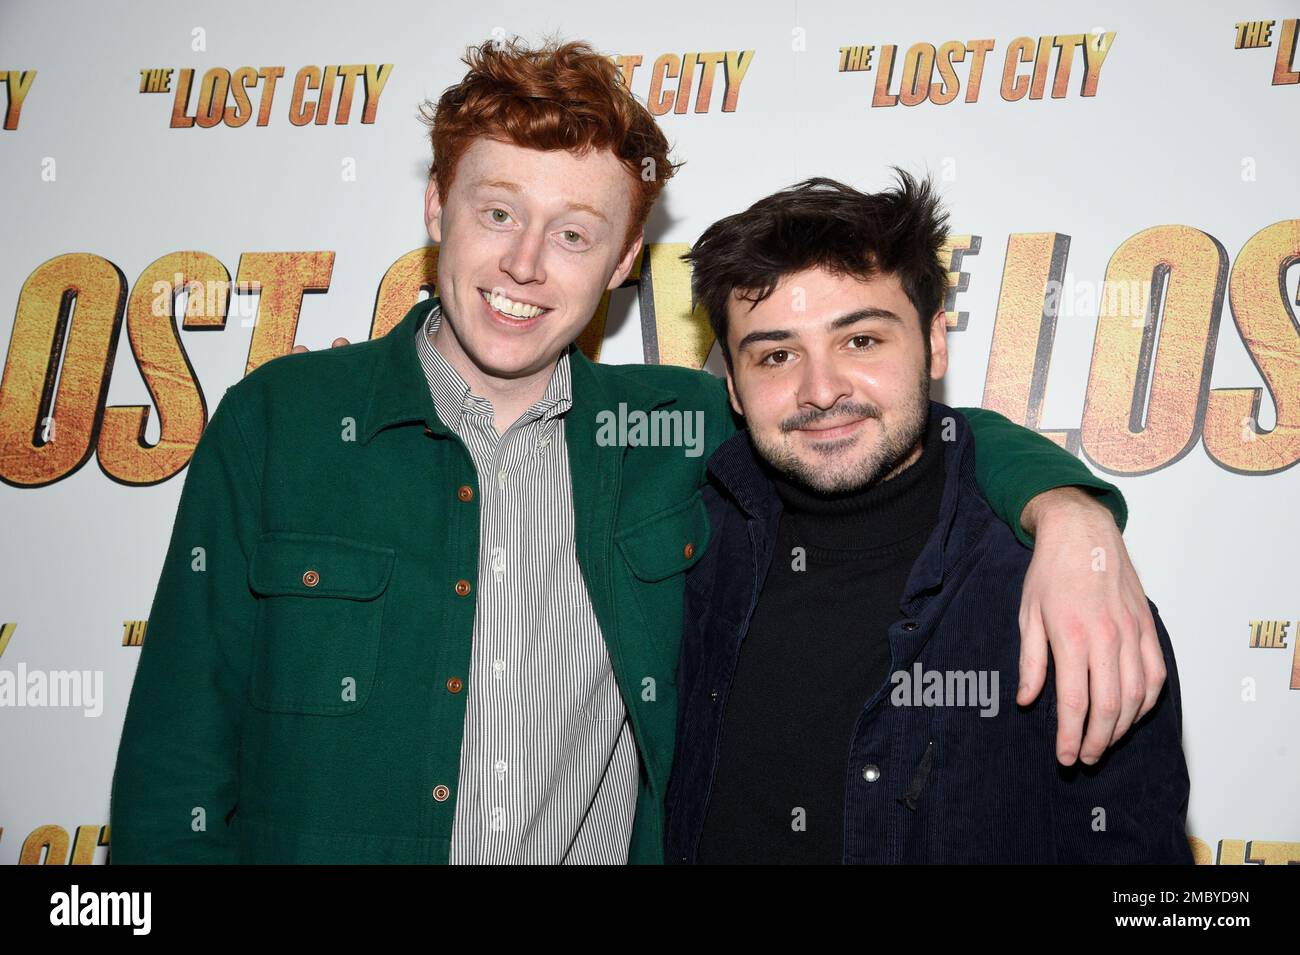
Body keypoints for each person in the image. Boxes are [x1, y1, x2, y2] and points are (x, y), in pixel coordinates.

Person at [110, 37, 1166, 865]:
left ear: (621, 260)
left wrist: (1069, 512)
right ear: (438, 209)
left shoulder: (675, 431)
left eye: (573, 232)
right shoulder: (279, 422)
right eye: (496, 212)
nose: (524, 263)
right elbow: (173, 768)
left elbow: (891, 428)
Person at [665, 173, 1193, 863]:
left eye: (861, 341)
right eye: (776, 354)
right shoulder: (685, 552)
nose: (821, 390)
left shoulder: (1063, 599)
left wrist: (1074, 514)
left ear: (935, 343)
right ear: (732, 385)